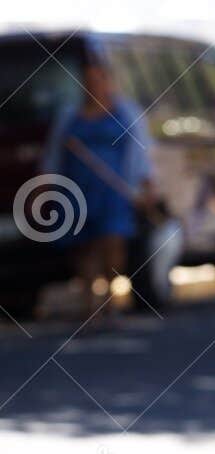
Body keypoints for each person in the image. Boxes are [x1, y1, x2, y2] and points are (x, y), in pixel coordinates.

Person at [41, 41, 154, 323]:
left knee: (112, 244)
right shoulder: (70, 115)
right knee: (85, 247)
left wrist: (145, 185)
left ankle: (109, 299)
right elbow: (54, 153)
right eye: (88, 80)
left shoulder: (125, 113)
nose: (93, 85)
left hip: (114, 190)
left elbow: (141, 153)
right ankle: (90, 303)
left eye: (98, 78)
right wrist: (46, 183)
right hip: (79, 190)